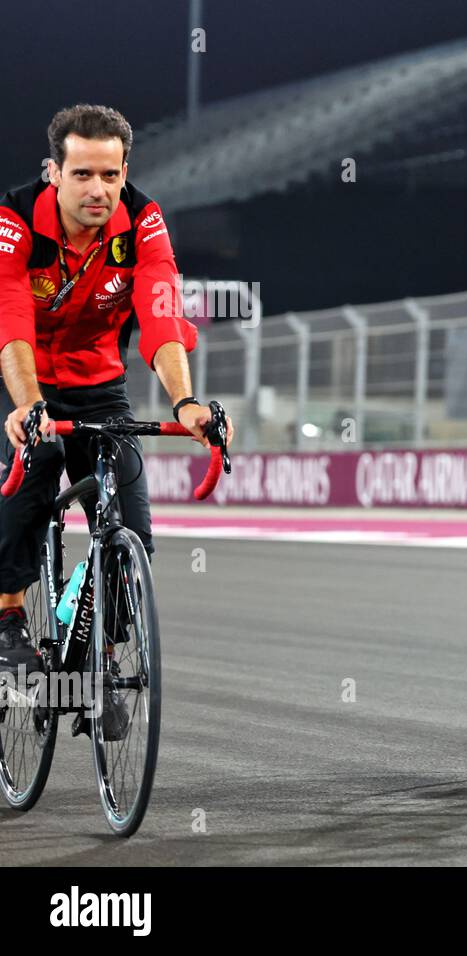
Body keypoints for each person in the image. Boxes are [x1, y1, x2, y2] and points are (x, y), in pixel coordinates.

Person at [0, 105, 234, 735]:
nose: (97, 190)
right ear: (54, 172)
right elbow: (13, 320)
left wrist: (185, 402)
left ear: (124, 170)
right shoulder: (16, 217)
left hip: (100, 386)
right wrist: (26, 407)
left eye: (109, 175)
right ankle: (8, 620)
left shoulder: (145, 221)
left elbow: (161, 317)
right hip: (20, 380)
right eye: (81, 174)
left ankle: (96, 661)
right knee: (30, 480)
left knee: (131, 529)